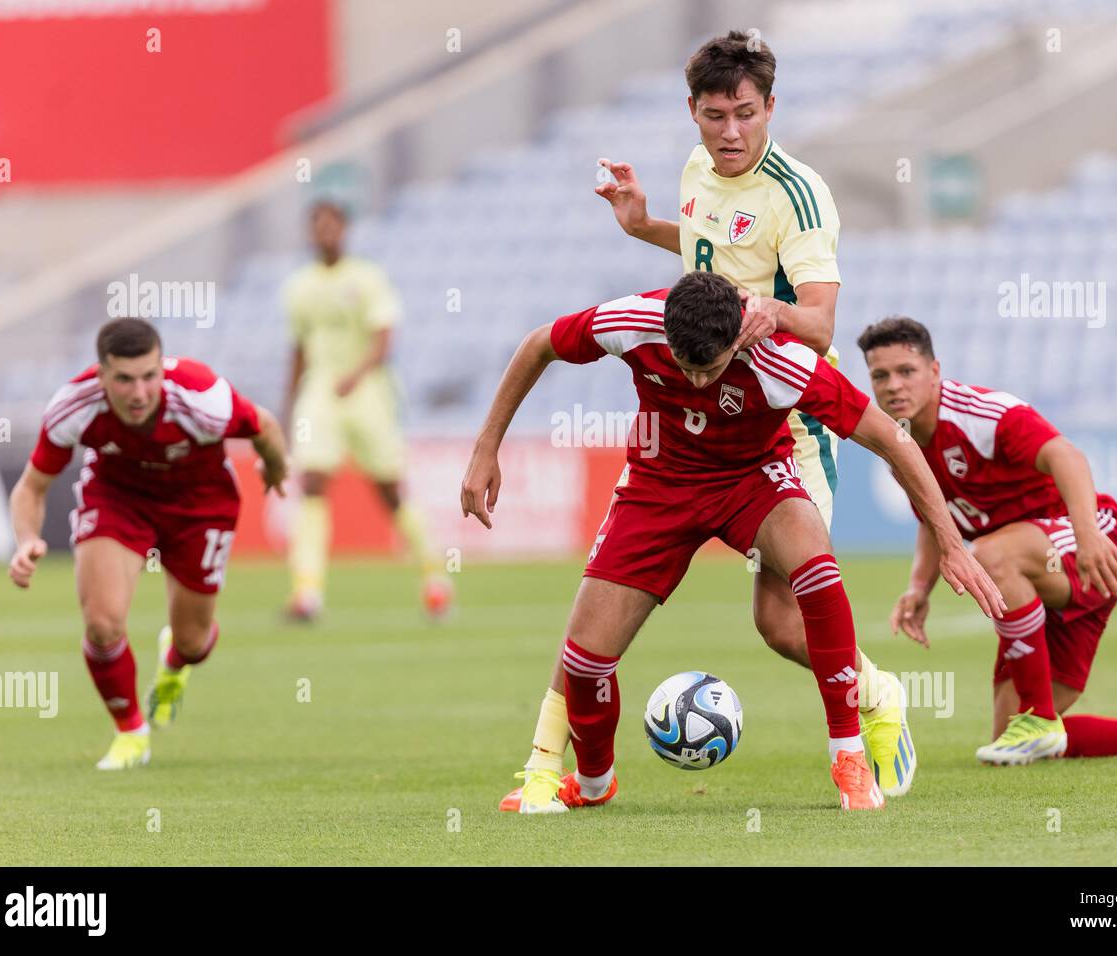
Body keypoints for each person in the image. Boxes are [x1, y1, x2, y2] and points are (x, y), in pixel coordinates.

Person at [499, 30, 915, 808]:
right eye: (715, 114)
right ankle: (555, 770)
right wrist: (644, 227)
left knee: (781, 623)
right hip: (690, 415)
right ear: (693, 110)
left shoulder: (800, 195)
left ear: (770, 109)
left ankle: (876, 696)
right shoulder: (698, 167)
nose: (730, 132)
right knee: (597, 621)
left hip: (778, 421)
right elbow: (706, 256)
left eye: (746, 115)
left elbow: (821, 328)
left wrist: (765, 311)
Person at [462, 272, 1005, 812]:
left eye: (712, 369)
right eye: (686, 368)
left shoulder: (781, 361)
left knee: (815, 573)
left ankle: (849, 757)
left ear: (736, 341)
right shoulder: (632, 322)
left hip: (754, 481)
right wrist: (487, 448)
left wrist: (951, 543)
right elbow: (539, 345)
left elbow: (890, 439)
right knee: (585, 662)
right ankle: (595, 781)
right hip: (660, 485)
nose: (698, 383)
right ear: (667, 336)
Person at [857, 316, 1117, 762]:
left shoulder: (980, 415)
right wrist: (918, 588)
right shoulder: (899, 446)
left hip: (1091, 538)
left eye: (906, 371)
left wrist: (1088, 538)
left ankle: (1040, 716)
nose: (893, 386)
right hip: (1032, 569)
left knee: (988, 557)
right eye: (880, 375)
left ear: (935, 371)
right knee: (1010, 734)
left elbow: (1068, 457)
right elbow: (935, 517)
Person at [7, 318, 289, 769]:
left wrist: (275, 468)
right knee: (102, 623)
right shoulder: (73, 407)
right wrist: (25, 541)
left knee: (194, 642)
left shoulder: (202, 397)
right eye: (124, 379)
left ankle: (174, 663)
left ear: (162, 368)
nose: (139, 393)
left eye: (149, 376)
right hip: (120, 500)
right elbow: (30, 487)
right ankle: (131, 732)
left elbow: (264, 425)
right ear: (101, 376)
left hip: (200, 504)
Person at [281, 199, 451, 620]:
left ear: (345, 228)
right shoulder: (299, 286)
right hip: (321, 390)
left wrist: (356, 376)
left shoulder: (367, 278)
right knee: (313, 483)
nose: (325, 231)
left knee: (389, 490)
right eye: (317, 223)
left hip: (367, 390)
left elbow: (383, 338)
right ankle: (307, 592)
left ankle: (434, 575)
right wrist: (288, 407)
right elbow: (299, 349)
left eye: (332, 223)